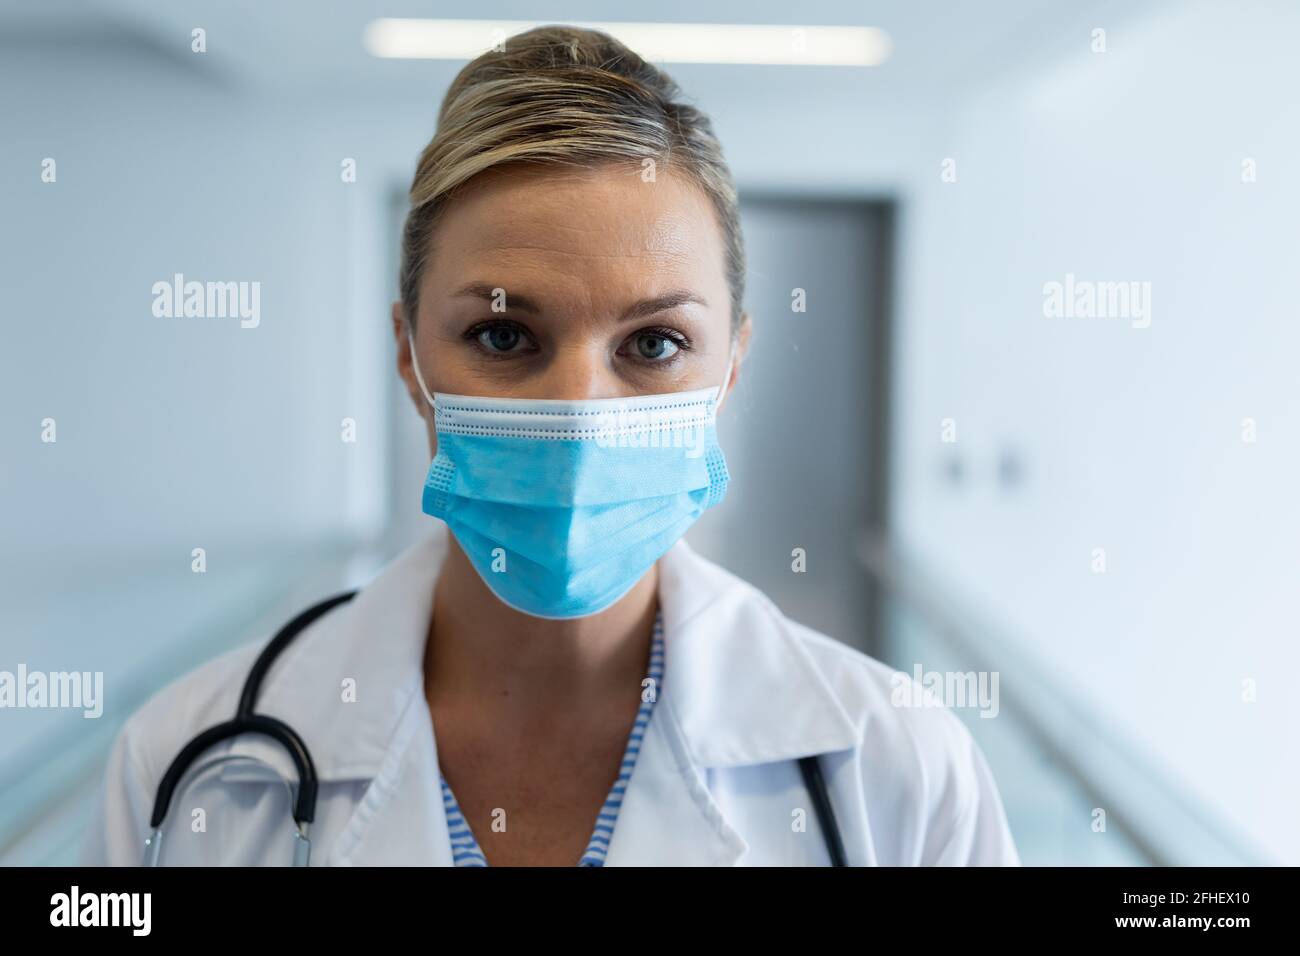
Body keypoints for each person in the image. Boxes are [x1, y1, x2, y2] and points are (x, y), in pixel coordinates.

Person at [81, 24, 1019, 866]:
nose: (579, 411)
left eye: (654, 345)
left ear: (730, 368)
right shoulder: (189, 771)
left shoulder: (901, 772)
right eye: (502, 336)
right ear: (409, 358)